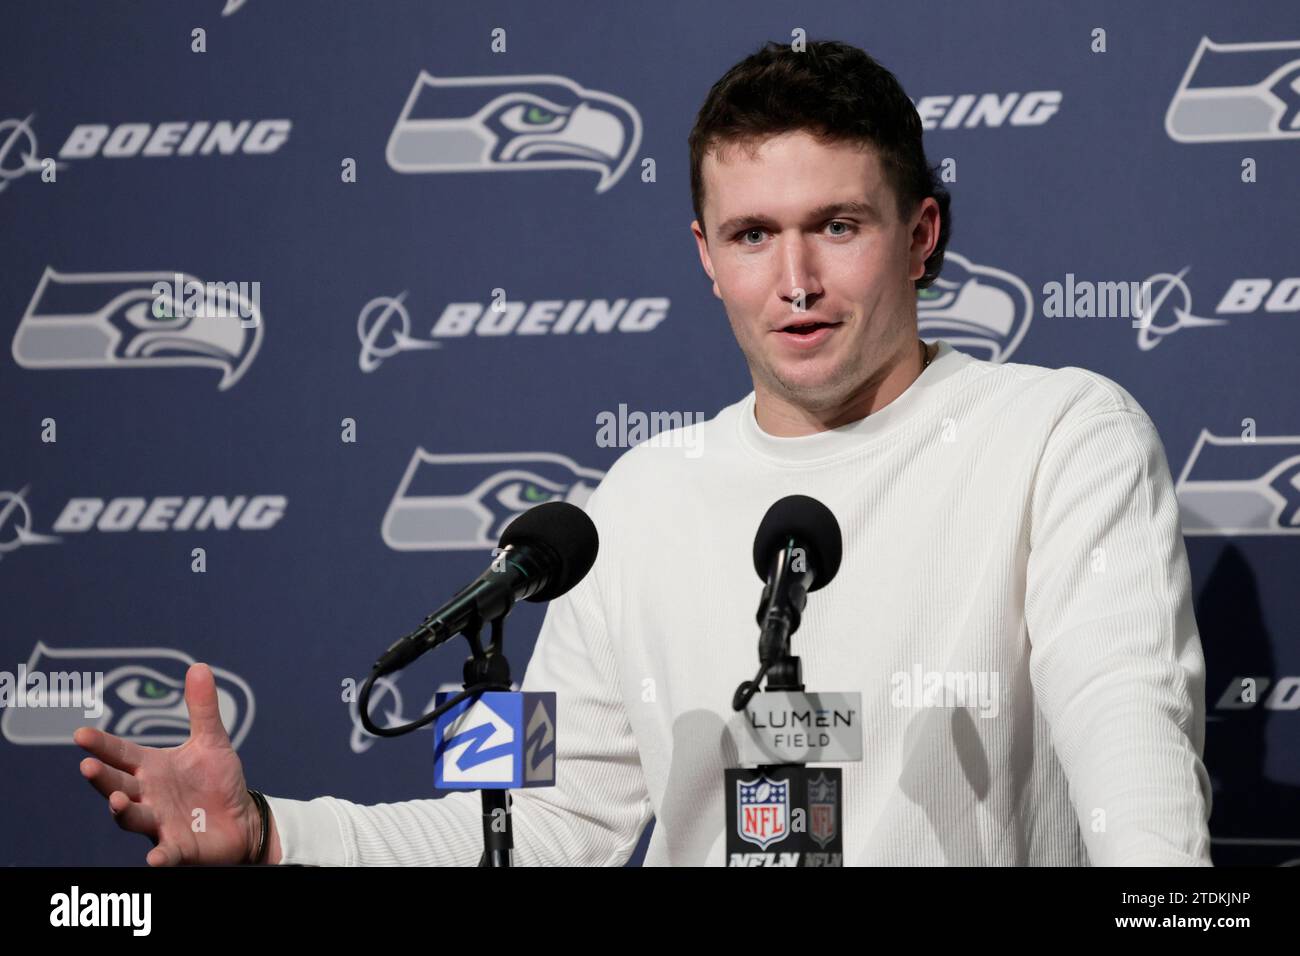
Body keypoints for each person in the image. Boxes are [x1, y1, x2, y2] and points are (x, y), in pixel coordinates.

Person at [74, 39, 1212, 866]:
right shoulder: (634, 499)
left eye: (838, 225)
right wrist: (274, 830)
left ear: (921, 236)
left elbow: (1129, 742)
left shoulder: (1063, 434)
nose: (796, 277)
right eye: (753, 234)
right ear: (705, 257)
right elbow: (536, 816)